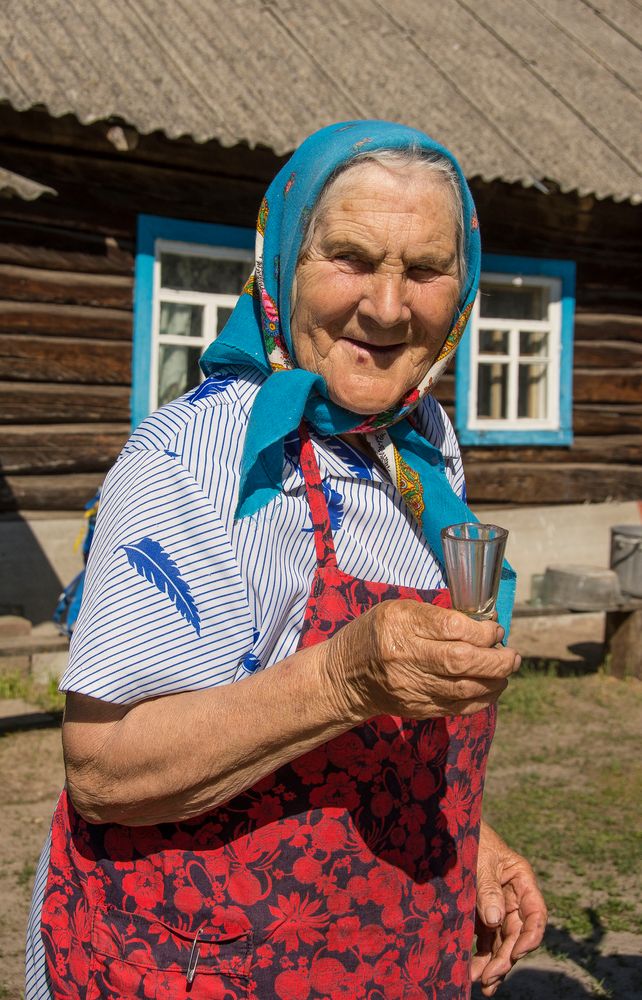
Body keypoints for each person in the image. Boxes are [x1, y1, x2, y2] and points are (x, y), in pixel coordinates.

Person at [27, 121, 546, 1000]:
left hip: (386, 956)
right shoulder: (196, 458)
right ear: (282, 261)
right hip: (197, 964)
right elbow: (103, 767)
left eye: (424, 270)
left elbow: (369, 743)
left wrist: (468, 836)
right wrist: (343, 678)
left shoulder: (421, 445)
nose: (387, 307)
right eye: (349, 257)